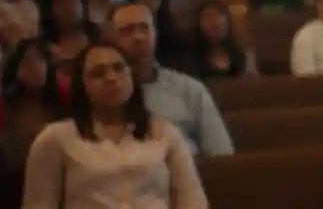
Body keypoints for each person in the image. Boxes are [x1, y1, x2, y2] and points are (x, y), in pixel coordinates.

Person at [21, 40, 208, 208]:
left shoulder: (166, 133)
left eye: (119, 68)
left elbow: (192, 199)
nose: (111, 78)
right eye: (97, 73)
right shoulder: (55, 138)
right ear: (82, 85)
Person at [103, 3, 234, 157]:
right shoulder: (101, 93)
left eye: (144, 28)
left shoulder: (189, 88)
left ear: (155, 34)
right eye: (127, 31)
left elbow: (221, 152)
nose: (138, 37)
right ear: (110, 40)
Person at [0, 39, 65, 173]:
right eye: (27, 61)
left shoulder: (62, 100)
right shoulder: (5, 106)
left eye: (41, 60)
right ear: (16, 68)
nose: (36, 67)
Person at [182, 0, 257, 80]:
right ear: (198, 23)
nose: (216, 21)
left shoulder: (243, 53)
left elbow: (251, 82)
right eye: (208, 17)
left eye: (221, 14)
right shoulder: (190, 54)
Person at [37, 0, 98, 79]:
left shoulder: (99, 40)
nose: (68, 7)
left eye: (73, 0)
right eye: (60, 2)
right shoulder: (41, 49)